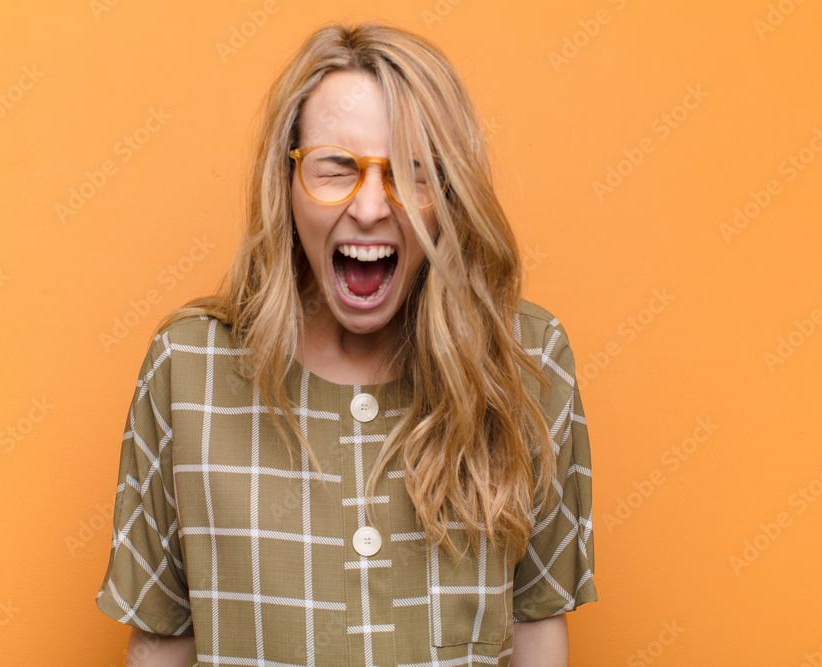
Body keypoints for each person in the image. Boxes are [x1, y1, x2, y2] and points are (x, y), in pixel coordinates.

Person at [95, 22, 596, 667]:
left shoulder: (527, 359)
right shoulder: (188, 367)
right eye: (336, 168)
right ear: (287, 182)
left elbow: (536, 621)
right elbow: (162, 636)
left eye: (412, 173)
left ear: (450, 191)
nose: (368, 208)